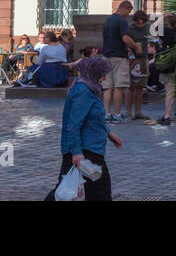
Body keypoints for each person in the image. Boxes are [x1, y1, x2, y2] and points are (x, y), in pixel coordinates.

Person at [48, 56, 122, 201]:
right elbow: (73, 125)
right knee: (99, 193)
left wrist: (109, 133)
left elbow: (93, 118)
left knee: (66, 191)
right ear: (94, 73)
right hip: (86, 152)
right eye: (102, 74)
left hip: (88, 150)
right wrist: (76, 153)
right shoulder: (84, 91)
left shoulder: (90, 88)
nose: (105, 78)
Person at [101, 0, 139, 122]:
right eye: (129, 12)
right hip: (119, 57)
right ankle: (117, 114)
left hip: (106, 56)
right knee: (119, 86)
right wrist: (135, 46)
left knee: (107, 87)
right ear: (125, 8)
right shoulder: (122, 21)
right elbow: (125, 38)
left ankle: (106, 114)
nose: (128, 15)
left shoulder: (108, 20)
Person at [127, 10, 152, 123]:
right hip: (132, 59)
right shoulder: (129, 27)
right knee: (131, 87)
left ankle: (138, 112)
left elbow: (153, 38)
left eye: (142, 22)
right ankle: (128, 112)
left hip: (143, 58)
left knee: (140, 87)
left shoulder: (148, 26)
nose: (140, 25)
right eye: (138, 23)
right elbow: (125, 41)